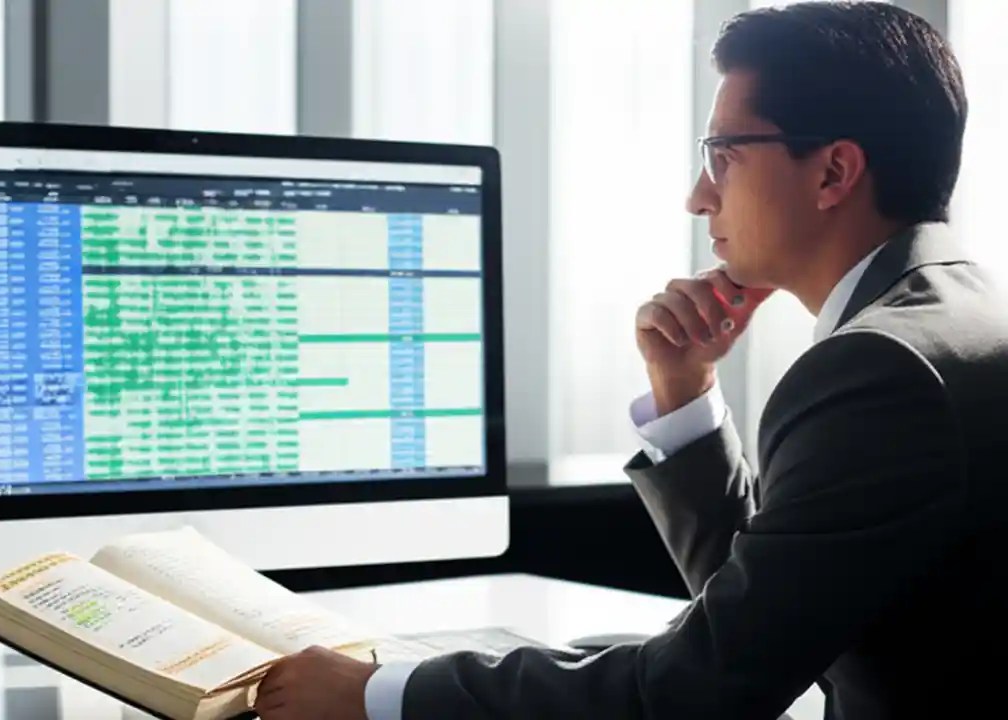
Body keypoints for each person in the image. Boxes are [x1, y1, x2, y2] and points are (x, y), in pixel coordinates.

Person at [253, 2, 1008, 718]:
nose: (698, 197)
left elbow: (697, 693)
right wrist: (684, 391)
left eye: (723, 156)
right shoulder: (958, 319)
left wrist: (381, 697)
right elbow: (767, 630)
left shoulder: (877, 371)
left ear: (833, 173)